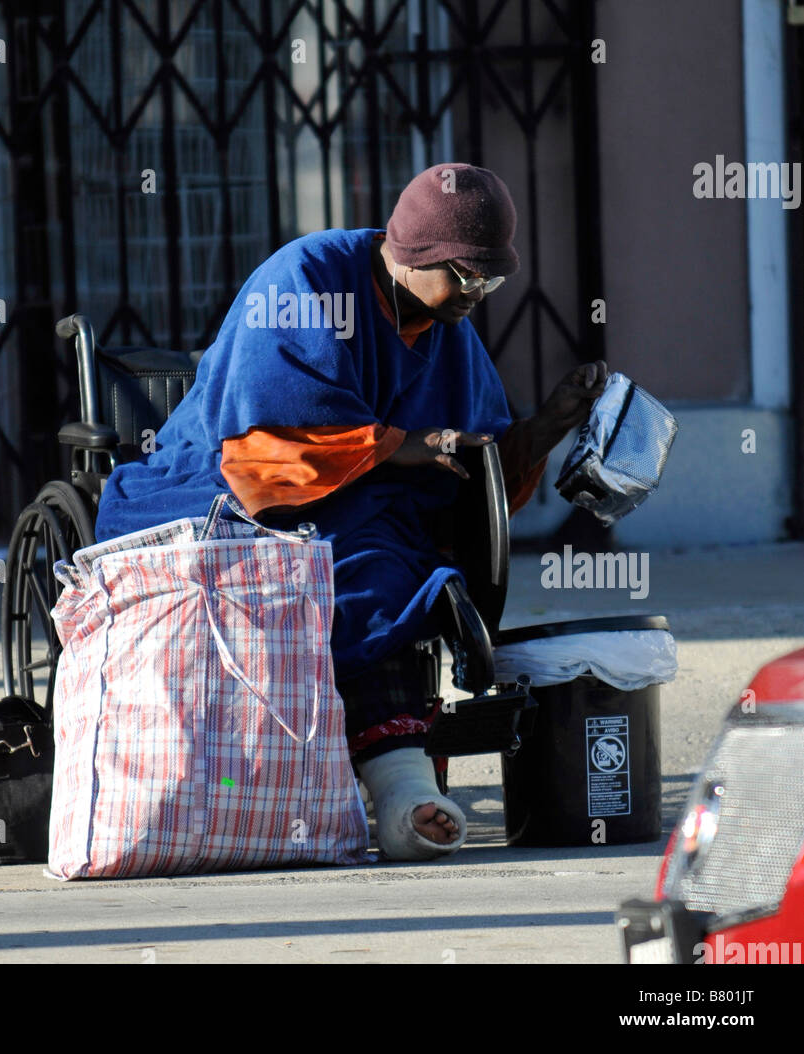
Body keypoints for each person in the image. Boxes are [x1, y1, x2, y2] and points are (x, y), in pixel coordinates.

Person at [96, 163, 607, 859]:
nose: (475, 296)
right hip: (227, 484)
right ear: (412, 254)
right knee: (344, 567)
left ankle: (401, 785)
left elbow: (477, 469)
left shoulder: (444, 321)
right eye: (464, 277)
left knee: (391, 567)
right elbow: (259, 444)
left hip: (364, 506)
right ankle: (400, 782)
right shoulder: (305, 281)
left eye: (490, 281)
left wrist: (549, 422)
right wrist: (399, 445)